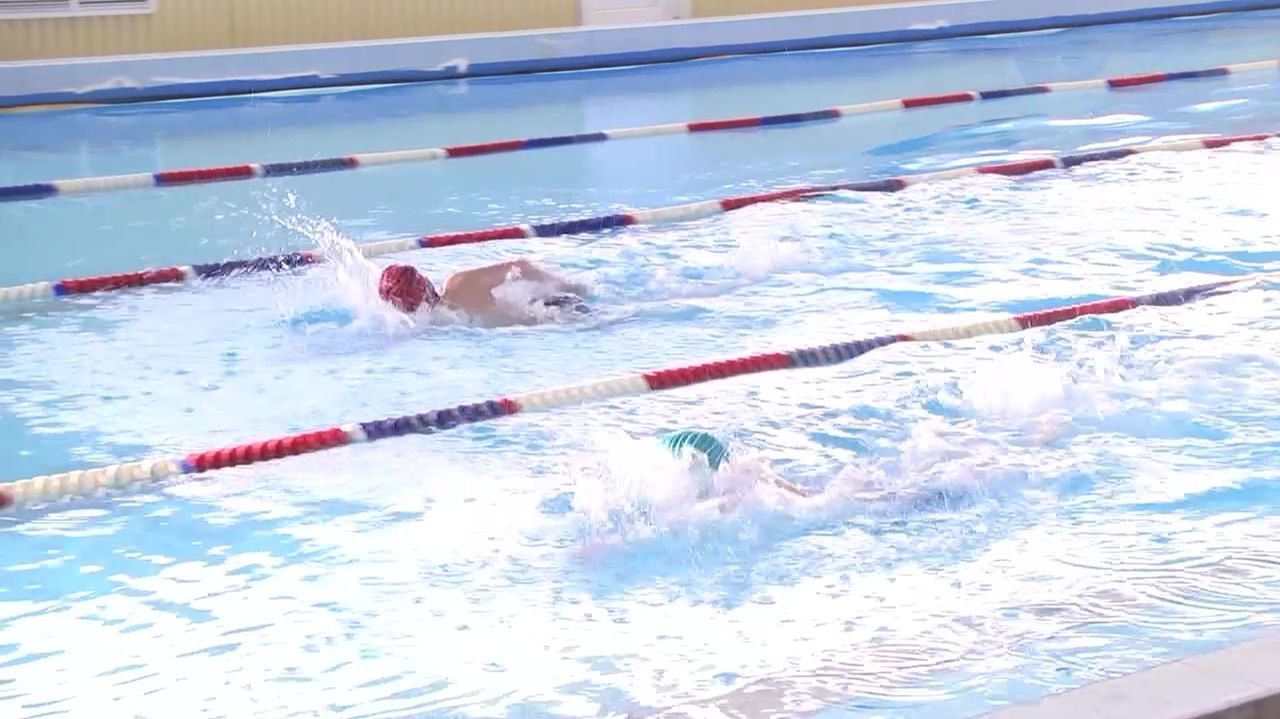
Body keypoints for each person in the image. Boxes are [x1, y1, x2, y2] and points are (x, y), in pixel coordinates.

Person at [378, 259, 590, 325]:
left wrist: (569, 287)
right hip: (556, 310)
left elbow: (520, 268)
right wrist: (568, 285)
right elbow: (520, 267)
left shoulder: (438, 325)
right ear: (423, 281)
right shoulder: (459, 285)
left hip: (554, 311)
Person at [659, 429, 810, 508]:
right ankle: (797, 492)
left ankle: (797, 492)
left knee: (726, 489)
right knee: (742, 472)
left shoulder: (658, 466)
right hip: (701, 443)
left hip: (693, 446)